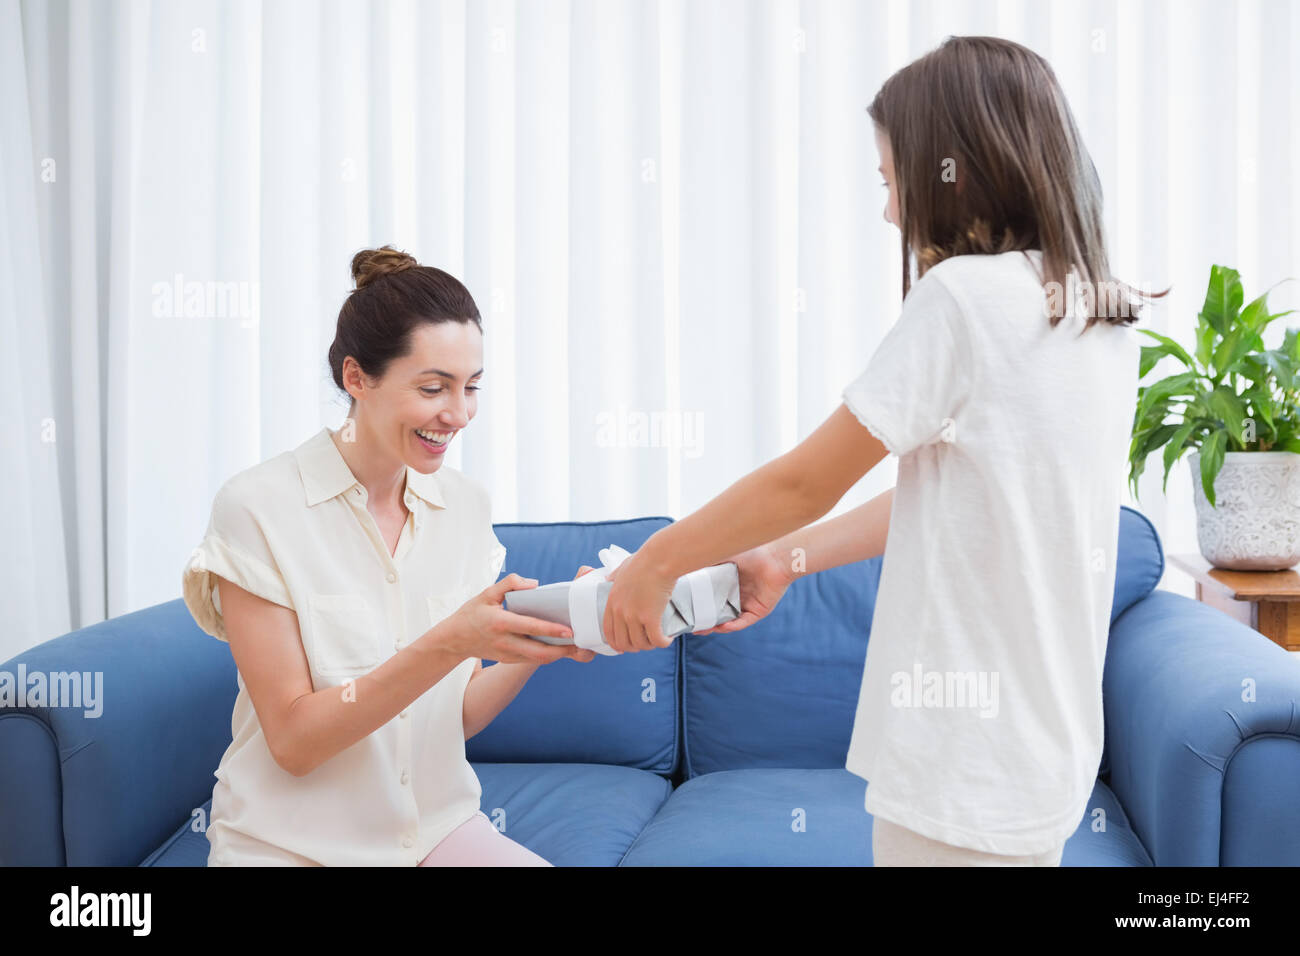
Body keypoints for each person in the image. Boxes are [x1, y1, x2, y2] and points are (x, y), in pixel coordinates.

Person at [599, 36, 1166, 866]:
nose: (890, 210)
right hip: (1042, 756)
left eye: (891, 179)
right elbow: (955, 495)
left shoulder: (965, 301)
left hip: (958, 769)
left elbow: (803, 482)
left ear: (954, 169)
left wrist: (651, 564)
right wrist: (784, 560)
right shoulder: (1095, 313)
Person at [182, 245, 596, 866]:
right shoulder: (257, 508)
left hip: (434, 832)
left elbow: (452, 717)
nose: (457, 414)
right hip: (291, 847)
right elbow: (295, 742)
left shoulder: (463, 507)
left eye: (471, 387)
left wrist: (549, 639)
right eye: (433, 388)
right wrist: (452, 640)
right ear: (357, 378)